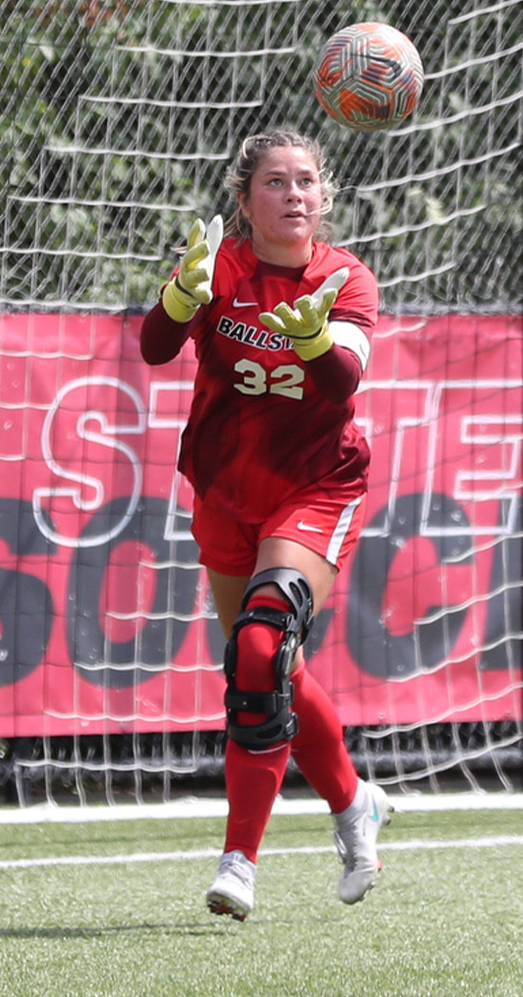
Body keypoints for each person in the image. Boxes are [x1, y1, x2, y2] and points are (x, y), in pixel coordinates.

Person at [138, 127, 393, 922]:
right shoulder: (221, 267)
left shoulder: (346, 278)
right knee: (265, 668)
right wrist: (181, 297)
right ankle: (354, 804)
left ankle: (239, 862)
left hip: (316, 484)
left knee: (261, 642)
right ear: (244, 199)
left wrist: (313, 338)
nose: (293, 195)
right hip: (226, 485)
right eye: (275, 182)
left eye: (306, 182)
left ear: (324, 197)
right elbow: (153, 349)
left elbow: (342, 382)